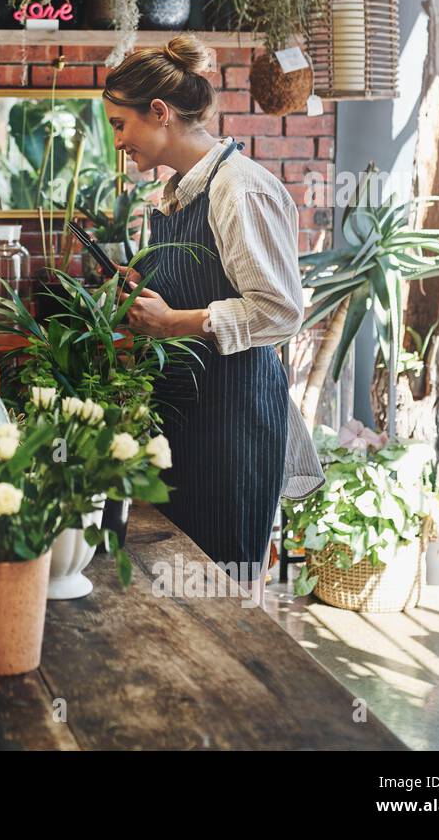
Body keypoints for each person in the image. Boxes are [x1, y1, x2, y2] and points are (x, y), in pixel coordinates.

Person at [100, 35, 323, 605]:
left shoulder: (239, 189)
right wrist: (147, 288)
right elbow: (209, 288)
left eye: (120, 124)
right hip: (187, 415)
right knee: (180, 589)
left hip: (233, 423)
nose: (118, 140)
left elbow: (280, 311)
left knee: (225, 595)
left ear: (160, 112)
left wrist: (171, 321)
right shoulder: (176, 192)